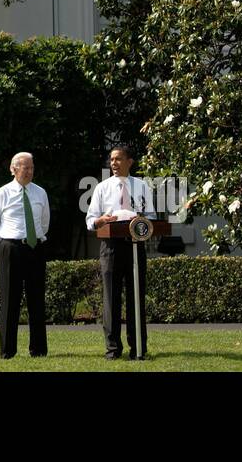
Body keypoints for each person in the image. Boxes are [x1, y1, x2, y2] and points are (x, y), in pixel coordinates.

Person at [86, 145, 155, 360]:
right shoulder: (102, 188)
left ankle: (138, 349)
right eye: (111, 159)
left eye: (118, 159)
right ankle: (113, 350)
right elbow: (90, 221)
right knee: (111, 300)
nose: (113, 163)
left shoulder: (142, 186)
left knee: (136, 298)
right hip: (111, 247)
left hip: (135, 246)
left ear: (129, 162)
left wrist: (141, 220)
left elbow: (151, 216)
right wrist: (101, 221)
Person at [0, 152, 50, 359]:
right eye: (25, 168)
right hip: (11, 248)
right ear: (13, 169)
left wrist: (35, 239)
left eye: (31, 167)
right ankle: (7, 350)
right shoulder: (2, 193)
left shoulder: (40, 193)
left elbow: (44, 222)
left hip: (35, 248)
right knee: (10, 300)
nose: (29, 171)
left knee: (37, 299)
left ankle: (38, 349)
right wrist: (6, 243)